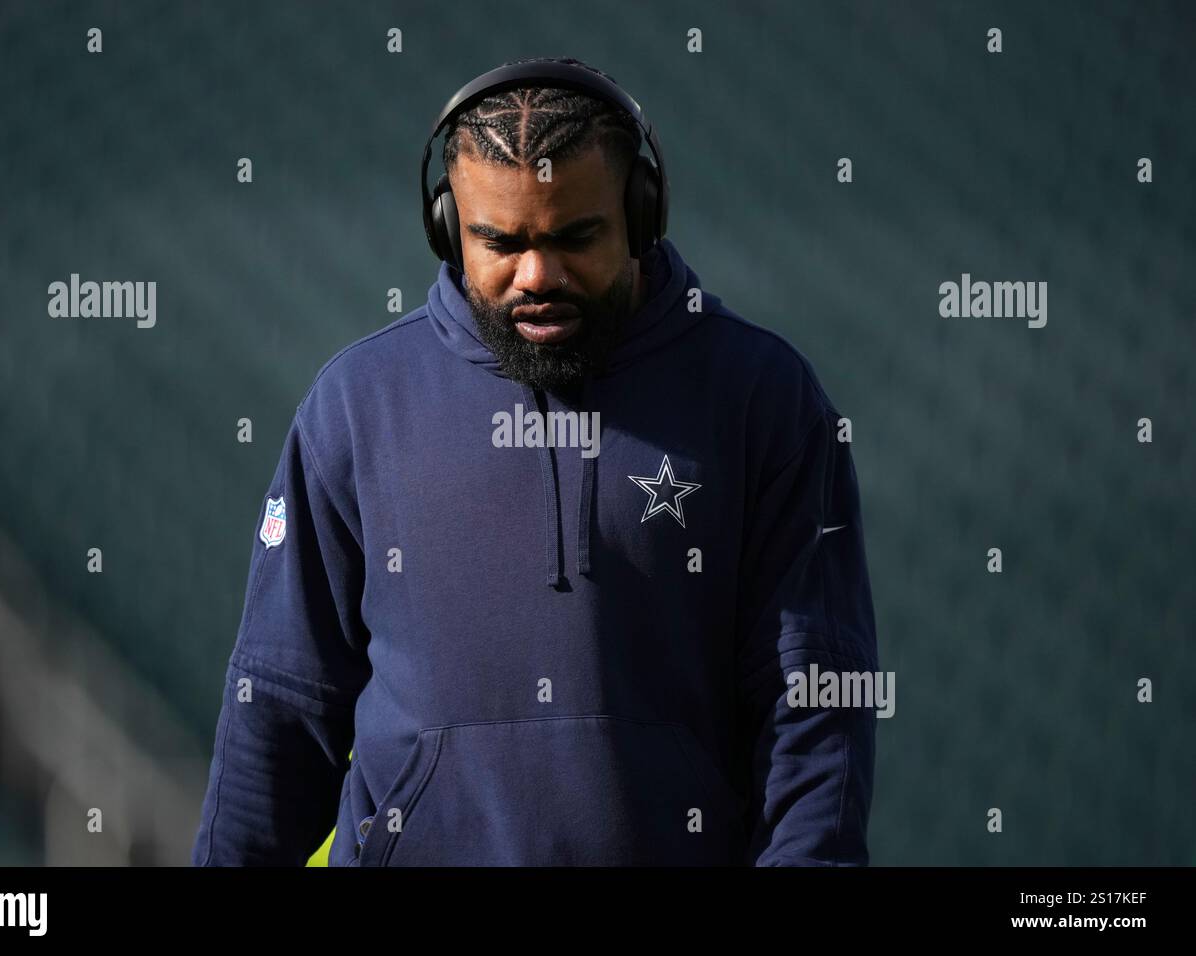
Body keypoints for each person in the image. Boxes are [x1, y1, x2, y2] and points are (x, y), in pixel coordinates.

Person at [192, 56, 879, 867]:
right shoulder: (354, 406)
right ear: (448, 225)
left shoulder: (762, 399)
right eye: (501, 242)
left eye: (574, 237)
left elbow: (812, 712)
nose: (538, 276)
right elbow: (280, 709)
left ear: (641, 213)